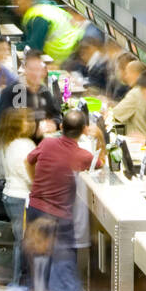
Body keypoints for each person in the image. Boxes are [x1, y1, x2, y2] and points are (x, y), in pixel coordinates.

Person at [24, 107, 99, 250]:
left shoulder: (47, 143)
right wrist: (100, 137)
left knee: (34, 260)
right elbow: (100, 164)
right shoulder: (84, 156)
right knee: (62, 263)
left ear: (61, 126)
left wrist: (34, 181)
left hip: (36, 209)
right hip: (59, 217)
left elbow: (28, 161)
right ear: (84, 130)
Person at [0, 107, 36, 282]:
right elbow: (27, 173)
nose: (32, 123)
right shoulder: (23, 145)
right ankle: (19, 282)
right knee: (23, 242)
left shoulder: (7, 143)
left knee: (20, 240)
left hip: (10, 195)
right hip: (21, 197)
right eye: (27, 120)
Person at [0, 49, 61, 143]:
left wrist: (53, 124)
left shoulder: (45, 92)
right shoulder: (11, 92)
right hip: (15, 147)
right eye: (31, 69)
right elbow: (3, 125)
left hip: (39, 146)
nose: (36, 74)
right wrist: (34, 130)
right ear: (25, 69)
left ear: (44, 71)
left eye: (38, 69)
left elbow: (57, 115)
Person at [12, 0, 80, 64]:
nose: (16, 5)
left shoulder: (39, 17)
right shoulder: (39, 10)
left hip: (64, 56)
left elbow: (34, 47)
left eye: (18, 1)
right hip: (64, 53)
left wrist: (11, 47)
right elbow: (27, 38)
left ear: (28, 1)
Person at [108, 63, 146, 138]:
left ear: (137, 74)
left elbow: (114, 115)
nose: (126, 77)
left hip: (139, 142)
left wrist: (104, 110)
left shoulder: (136, 93)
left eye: (127, 73)